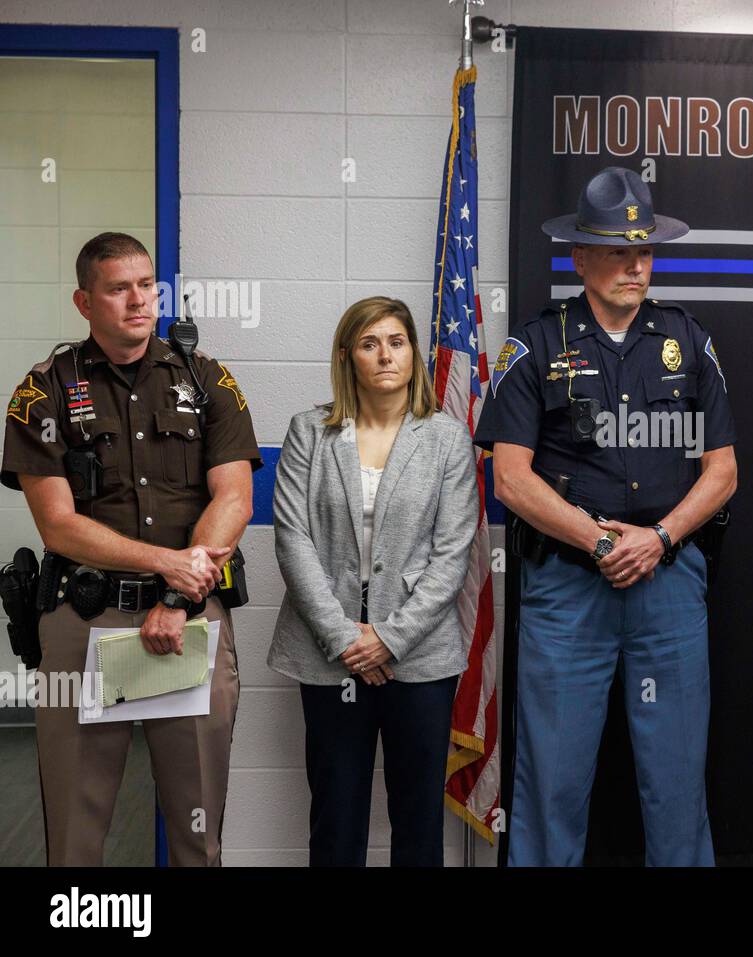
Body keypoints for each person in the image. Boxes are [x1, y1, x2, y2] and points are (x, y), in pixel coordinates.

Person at [476, 166, 738, 867]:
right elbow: (509, 476)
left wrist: (657, 538)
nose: (634, 265)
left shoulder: (690, 341)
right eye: (617, 252)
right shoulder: (534, 346)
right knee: (552, 785)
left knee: (676, 785)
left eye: (644, 251)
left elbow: (723, 471)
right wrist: (597, 540)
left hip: (669, 580)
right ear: (580, 258)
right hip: (568, 588)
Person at [1, 232, 259, 865]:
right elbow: (57, 525)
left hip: (189, 617)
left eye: (146, 285)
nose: (138, 300)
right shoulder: (44, 392)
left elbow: (234, 500)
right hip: (84, 618)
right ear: (84, 302)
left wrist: (176, 592)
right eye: (118, 289)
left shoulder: (207, 380)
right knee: (76, 830)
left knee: (198, 830)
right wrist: (165, 562)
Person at [267, 296, 478, 867]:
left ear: (413, 352)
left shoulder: (447, 439)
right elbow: (293, 539)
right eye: (369, 343)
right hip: (328, 652)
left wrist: (389, 638)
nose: (385, 355)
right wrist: (346, 640)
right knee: (336, 818)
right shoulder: (309, 432)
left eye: (397, 341)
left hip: (420, 656)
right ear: (346, 356)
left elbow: (451, 552)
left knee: (417, 824)